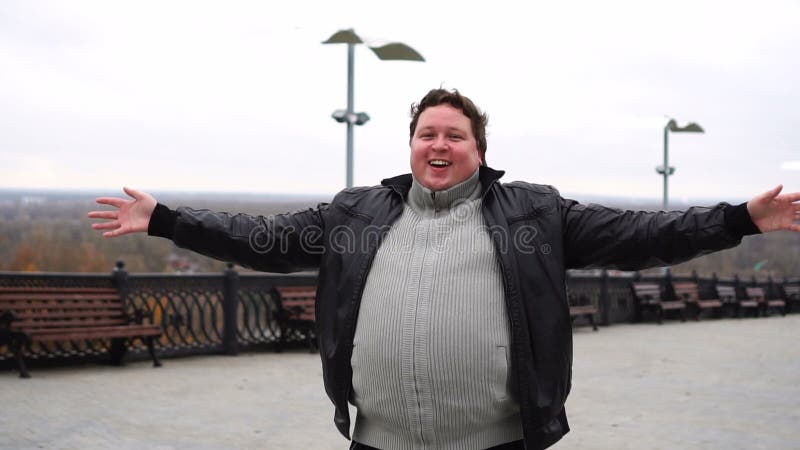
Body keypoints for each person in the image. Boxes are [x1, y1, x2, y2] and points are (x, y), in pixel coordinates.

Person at [89, 88, 800, 450]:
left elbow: (645, 234)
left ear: (479, 149)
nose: (438, 144)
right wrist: (166, 220)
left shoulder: (536, 214)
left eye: (453, 135)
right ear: (409, 145)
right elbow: (263, 240)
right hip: (379, 442)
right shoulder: (354, 215)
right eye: (426, 133)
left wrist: (740, 217)